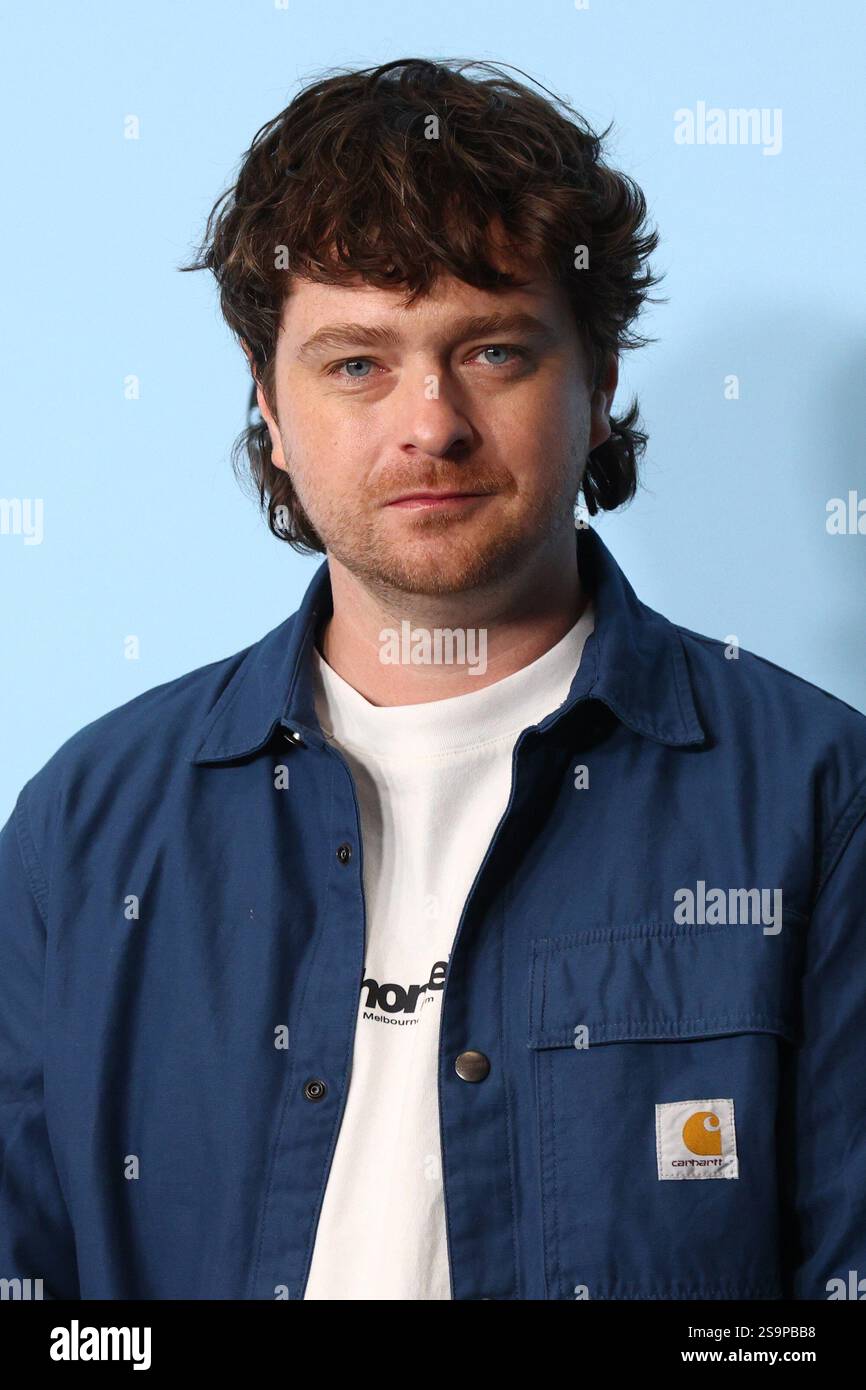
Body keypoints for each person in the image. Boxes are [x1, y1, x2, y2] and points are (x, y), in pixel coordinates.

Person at [1, 57, 864, 1302]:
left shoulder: (817, 802)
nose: (430, 424)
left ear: (600, 379)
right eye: (356, 363)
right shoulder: (85, 827)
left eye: (494, 350)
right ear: (270, 407)